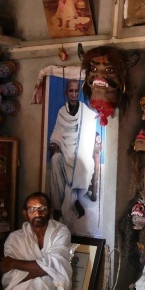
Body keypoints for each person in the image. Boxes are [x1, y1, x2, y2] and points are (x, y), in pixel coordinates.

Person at [48, 79, 99, 224]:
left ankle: (73, 201)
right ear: (66, 93)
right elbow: (57, 131)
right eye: (71, 91)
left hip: (80, 151)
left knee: (83, 164)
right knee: (55, 159)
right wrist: (54, 143)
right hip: (64, 148)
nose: (74, 94)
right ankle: (58, 206)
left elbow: (92, 122)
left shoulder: (85, 111)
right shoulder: (62, 112)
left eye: (76, 91)